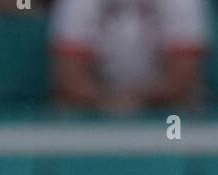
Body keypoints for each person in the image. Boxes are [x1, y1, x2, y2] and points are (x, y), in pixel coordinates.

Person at [51, 0, 210, 114]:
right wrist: (110, 102)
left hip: (167, 109)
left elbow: (184, 78)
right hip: (92, 107)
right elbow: (70, 77)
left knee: (184, 110)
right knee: (65, 108)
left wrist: (134, 101)